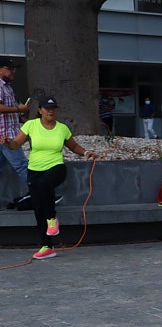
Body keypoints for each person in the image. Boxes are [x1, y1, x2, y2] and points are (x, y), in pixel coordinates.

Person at [2, 96, 95, 260]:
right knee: (38, 207)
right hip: (34, 170)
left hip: (56, 167)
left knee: (45, 185)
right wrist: (8, 143)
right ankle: (47, 246)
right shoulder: (31, 125)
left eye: (53, 108)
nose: (51, 111)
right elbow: (16, 144)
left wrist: (86, 152)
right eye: (47, 108)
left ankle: (52, 219)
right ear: (40, 110)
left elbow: (73, 146)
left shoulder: (62, 128)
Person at [0, 56, 30, 194]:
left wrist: (23, 117)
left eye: (14, 69)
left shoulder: (8, 88)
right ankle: (42, 195)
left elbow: (11, 112)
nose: (13, 72)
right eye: (10, 69)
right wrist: (18, 109)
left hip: (8, 135)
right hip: (6, 136)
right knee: (22, 166)